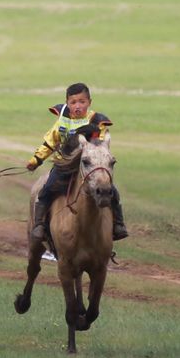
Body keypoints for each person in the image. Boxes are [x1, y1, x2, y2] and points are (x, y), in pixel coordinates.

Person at [26, 83, 126, 250]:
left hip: (90, 167)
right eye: (73, 102)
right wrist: (36, 160)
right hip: (64, 166)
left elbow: (100, 146)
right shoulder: (63, 120)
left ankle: (118, 225)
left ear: (89, 102)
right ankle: (39, 225)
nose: (78, 106)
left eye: (82, 102)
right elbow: (50, 142)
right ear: (67, 103)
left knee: (112, 191)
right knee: (46, 190)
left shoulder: (97, 121)